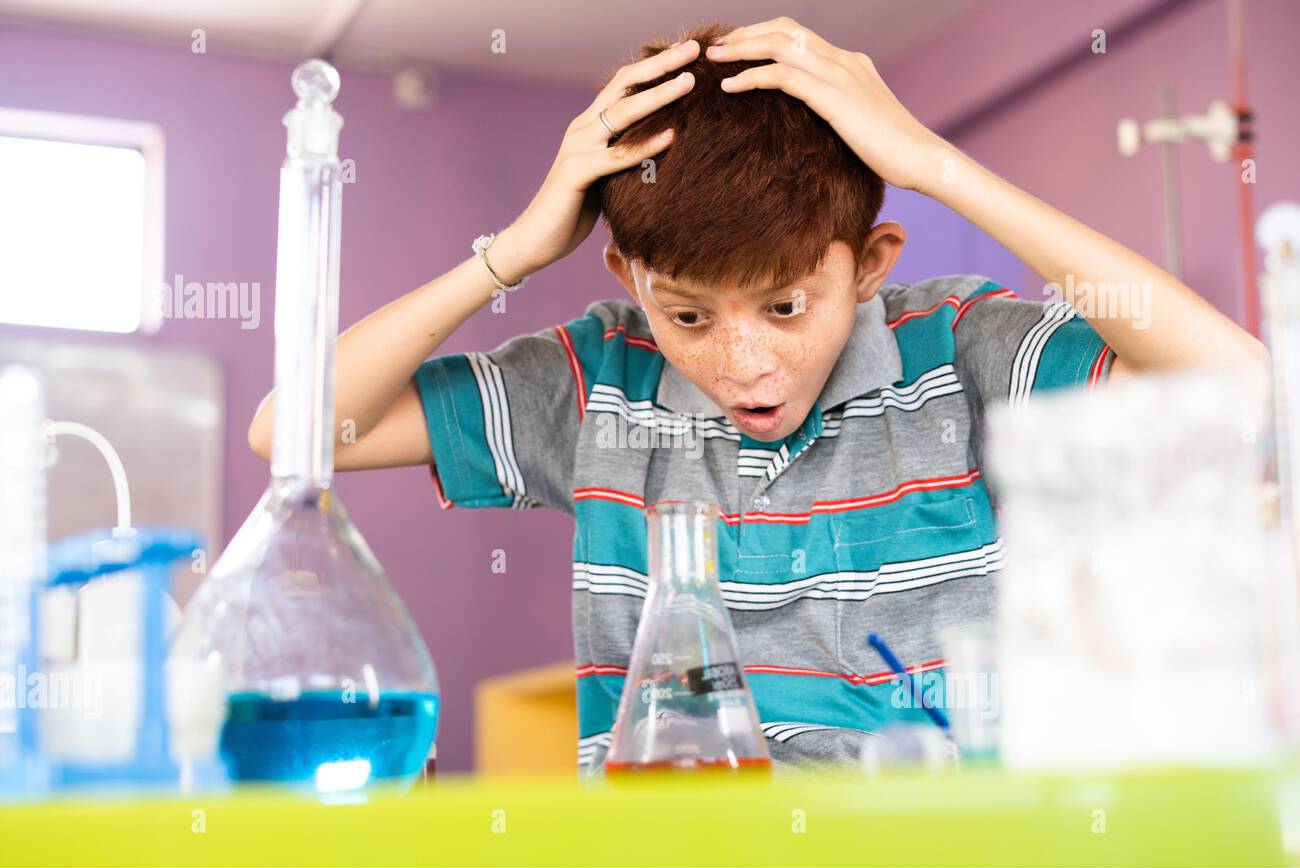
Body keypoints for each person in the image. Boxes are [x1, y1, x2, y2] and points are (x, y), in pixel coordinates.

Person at [248, 19, 1268, 774]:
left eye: (785, 305)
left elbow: (1243, 392)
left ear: (869, 262)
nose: (744, 363)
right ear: (628, 282)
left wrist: (938, 167)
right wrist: (510, 252)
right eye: (687, 316)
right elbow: (289, 433)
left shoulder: (956, 351)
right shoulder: (601, 378)